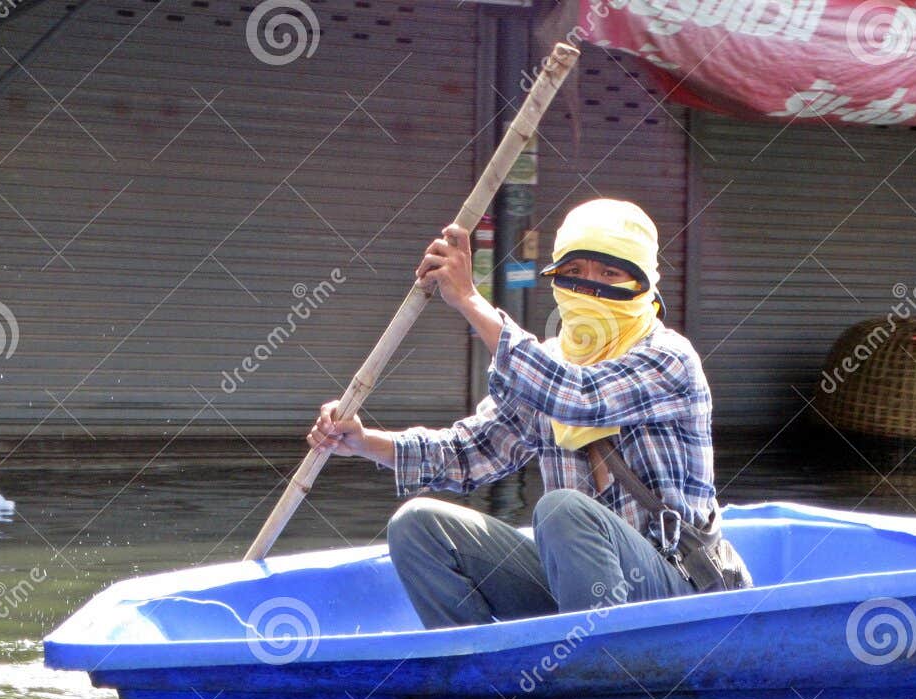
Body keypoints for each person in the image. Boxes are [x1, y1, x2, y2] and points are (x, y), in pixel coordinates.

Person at [308, 198, 748, 629]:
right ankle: (480, 678)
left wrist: (468, 300)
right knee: (418, 526)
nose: (589, 286)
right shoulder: (548, 367)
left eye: (609, 273)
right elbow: (470, 452)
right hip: (579, 593)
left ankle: (590, 675)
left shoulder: (668, 358)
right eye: (574, 273)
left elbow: (580, 398)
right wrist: (363, 442)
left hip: (678, 594)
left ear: (641, 285)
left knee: (562, 511)